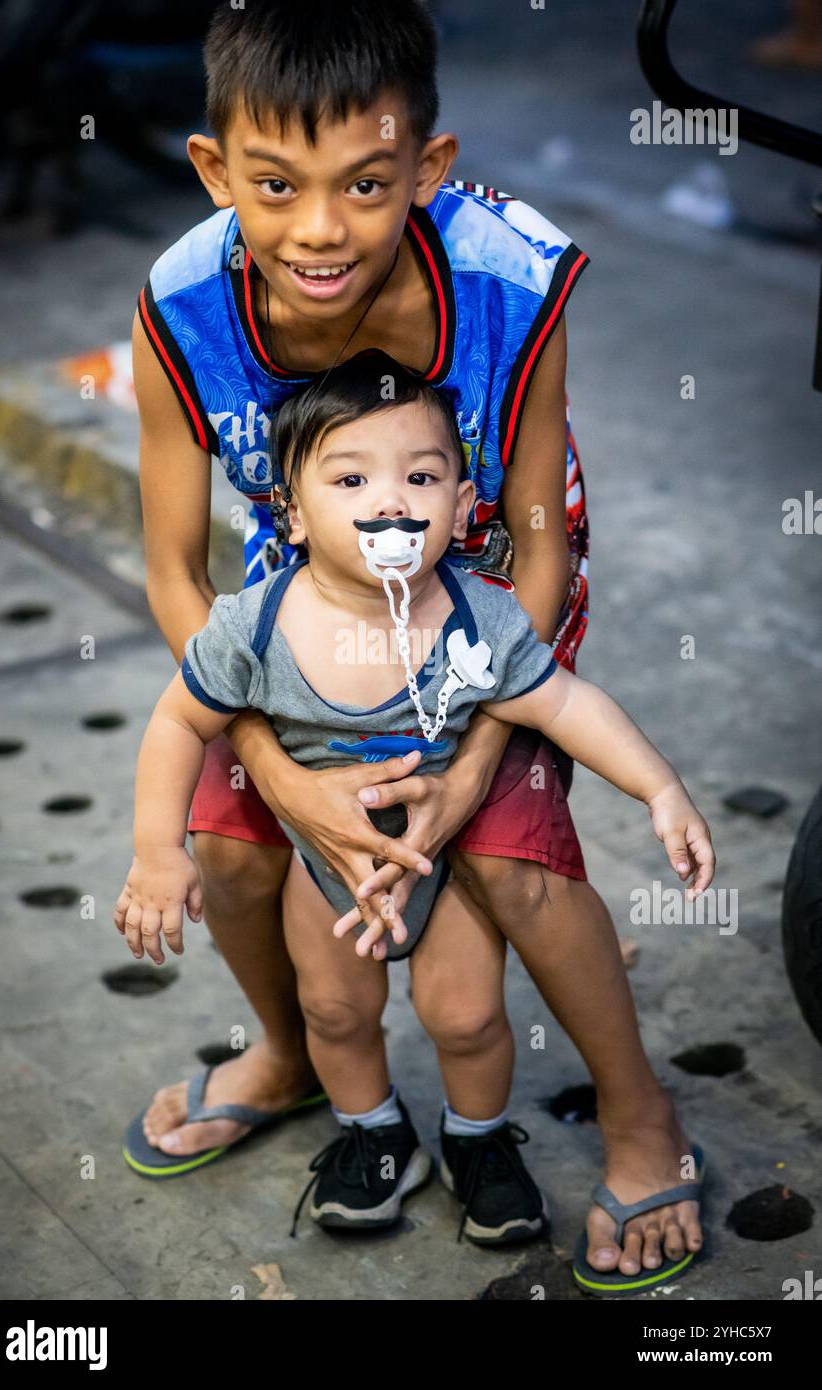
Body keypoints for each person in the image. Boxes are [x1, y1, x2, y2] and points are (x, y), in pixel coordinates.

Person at [122, 0, 706, 1293]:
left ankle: (636, 1115)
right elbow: (174, 569)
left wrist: (470, 753)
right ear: (217, 171)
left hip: (497, 603)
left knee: (517, 862)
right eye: (274, 185)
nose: (318, 228)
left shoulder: (507, 273)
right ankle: (285, 1051)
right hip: (299, 619)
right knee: (226, 838)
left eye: (366, 184)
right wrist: (275, 767)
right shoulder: (177, 305)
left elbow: (544, 540)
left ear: (426, 169)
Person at [116, 353, 714, 1268]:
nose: (390, 501)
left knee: (467, 1016)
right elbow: (176, 721)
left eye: (421, 477)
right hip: (328, 870)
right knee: (334, 1010)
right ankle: (374, 1132)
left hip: (445, 859)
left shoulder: (480, 614)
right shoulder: (256, 622)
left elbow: (564, 707)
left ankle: (476, 1139)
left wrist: (659, 787)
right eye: (351, 478)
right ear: (291, 509)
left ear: (466, 502)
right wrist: (159, 851)